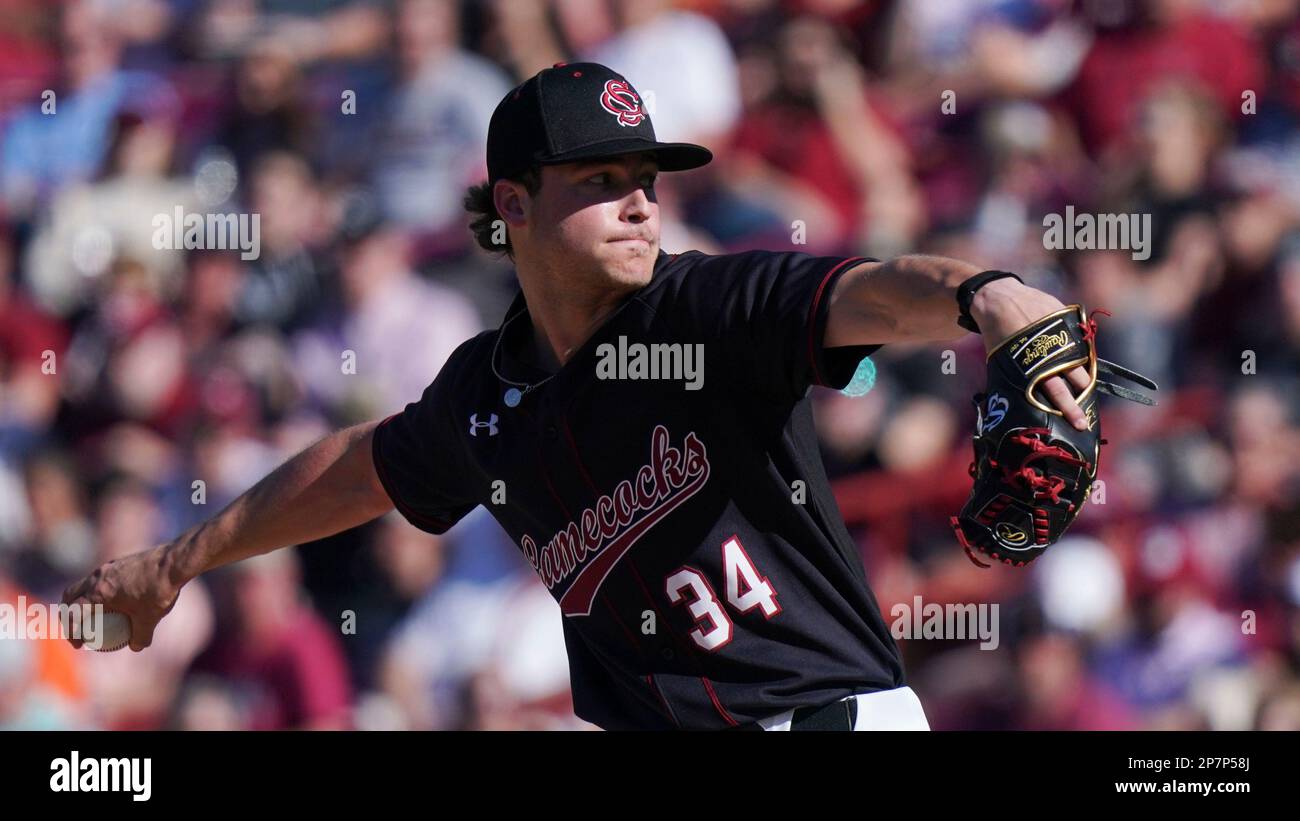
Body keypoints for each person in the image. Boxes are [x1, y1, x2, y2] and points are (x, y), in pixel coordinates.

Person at [62, 62, 1095, 731]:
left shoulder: (703, 306)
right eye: (600, 178)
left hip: (822, 719)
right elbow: (357, 467)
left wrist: (980, 291)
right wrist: (176, 559)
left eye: (645, 172)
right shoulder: (487, 395)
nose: (640, 197)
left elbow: (858, 291)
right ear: (512, 203)